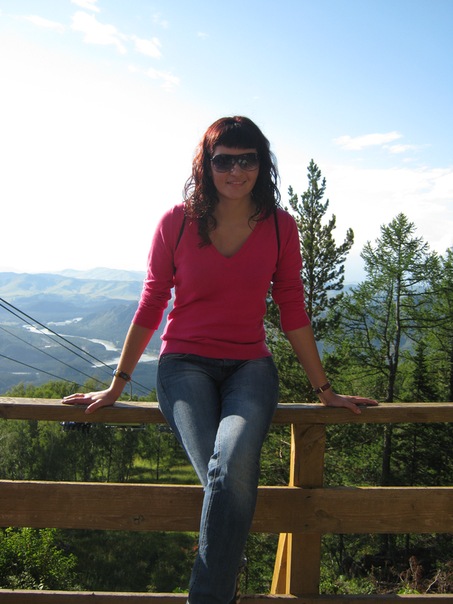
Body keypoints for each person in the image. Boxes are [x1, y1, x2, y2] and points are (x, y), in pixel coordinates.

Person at [63, 116, 378, 604]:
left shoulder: (281, 227)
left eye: (246, 159)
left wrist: (326, 391)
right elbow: (152, 302)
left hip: (250, 367)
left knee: (230, 466)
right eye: (223, 160)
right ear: (206, 165)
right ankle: (223, 578)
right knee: (226, 476)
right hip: (182, 365)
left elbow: (292, 309)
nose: (235, 171)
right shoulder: (176, 222)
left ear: (262, 163)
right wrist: (118, 383)